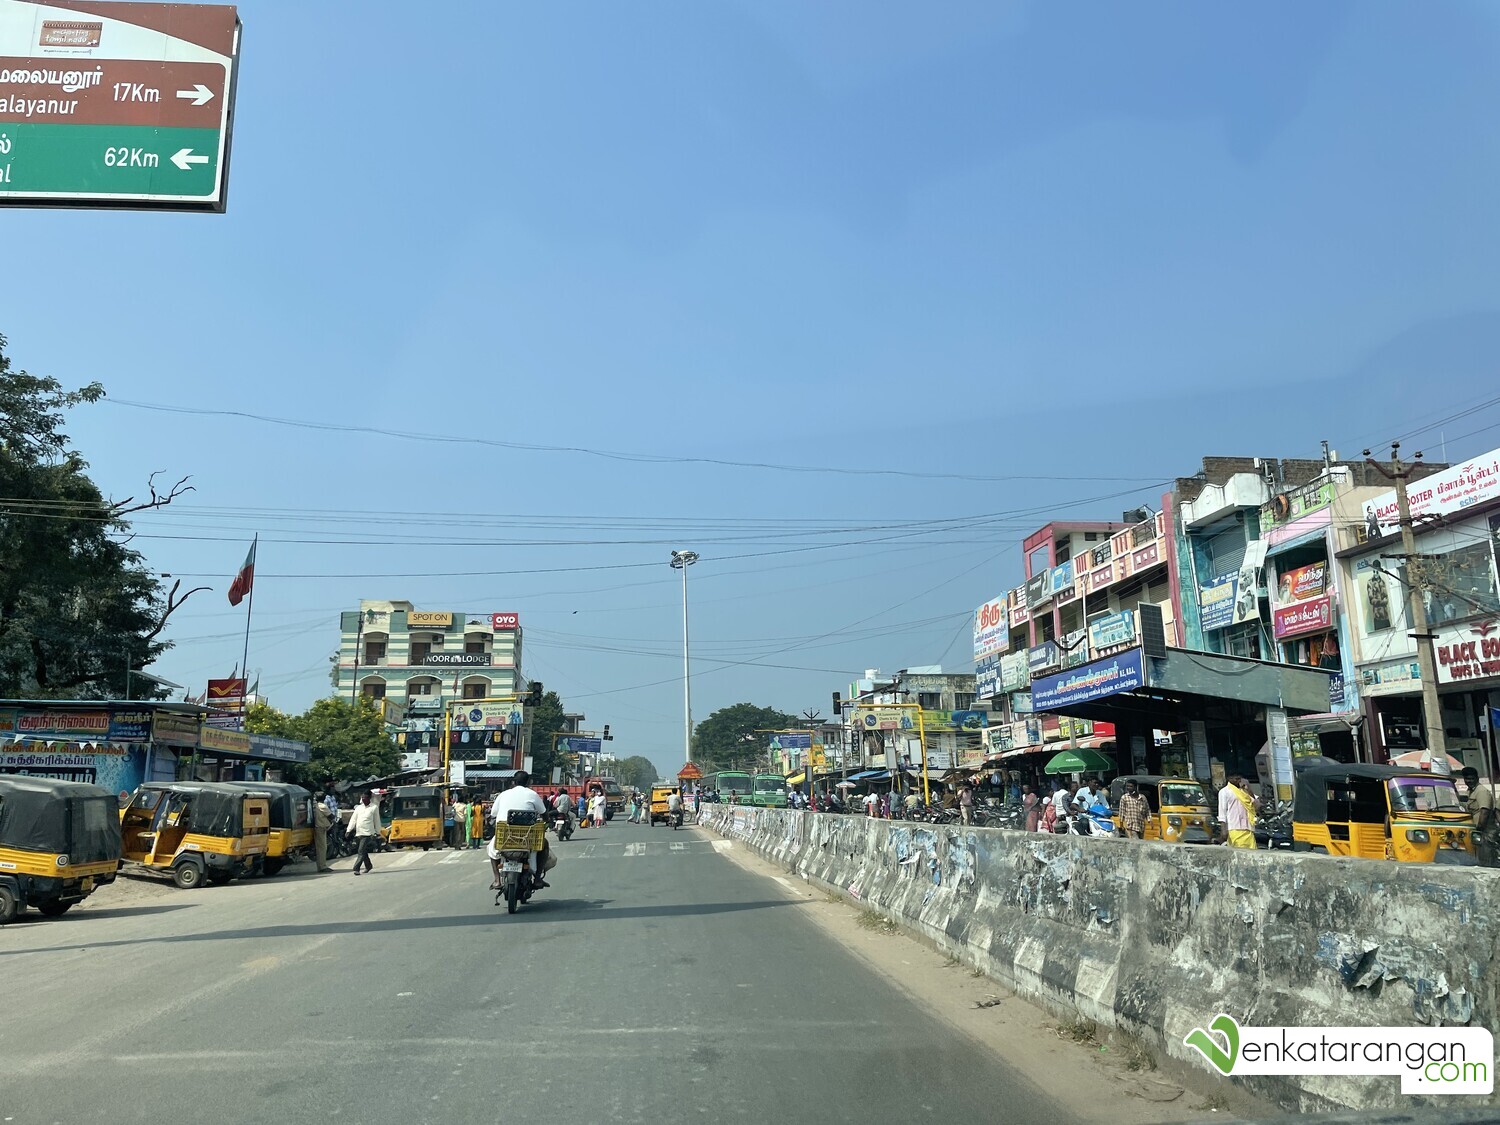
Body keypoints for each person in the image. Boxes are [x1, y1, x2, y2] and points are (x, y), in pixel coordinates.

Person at [488, 771, 553, 889]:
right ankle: (538, 879)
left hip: (505, 837)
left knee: (492, 851)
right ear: (529, 782)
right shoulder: (532, 794)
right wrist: (547, 821)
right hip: (527, 837)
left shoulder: (503, 794)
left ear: (513, 781)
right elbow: (544, 814)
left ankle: (497, 880)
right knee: (544, 845)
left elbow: (493, 814)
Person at [1460, 767, 1498, 867]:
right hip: (1476, 834)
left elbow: (1484, 812)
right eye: (1467, 779)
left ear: (1477, 778)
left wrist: (1479, 829)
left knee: (1486, 864)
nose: (1469, 781)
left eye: (1472, 779)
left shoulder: (1481, 791)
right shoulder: (1470, 791)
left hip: (1485, 833)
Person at [1218, 774, 1257, 849]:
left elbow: (1256, 804)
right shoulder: (1224, 792)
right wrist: (1223, 830)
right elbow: (1222, 812)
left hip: (1248, 829)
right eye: (1236, 779)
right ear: (1229, 779)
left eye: (1239, 779)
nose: (1238, 781)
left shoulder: (1244, 791)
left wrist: (1248, 788)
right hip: (1234, 828)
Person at [347, 791, 380, 876]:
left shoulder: (374, 807)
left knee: (360, 851)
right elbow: (353, 819)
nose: (364, 799)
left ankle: (356, 868)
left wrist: (378, 832)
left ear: (369, 798)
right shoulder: (358, 808)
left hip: (368, 833)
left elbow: (377, 821)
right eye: (362, 797)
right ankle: (368, 866)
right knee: (363, 851)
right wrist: (348, 830)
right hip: (359, 832)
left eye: (365, 797)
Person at [312, 791, 333, 871]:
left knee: (320, 848)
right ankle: (322, 867)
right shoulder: (322, 806)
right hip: (320, 828)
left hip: (318, 827)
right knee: (322, 848)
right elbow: (331, 816)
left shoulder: (315, 805)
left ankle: (321, 866)